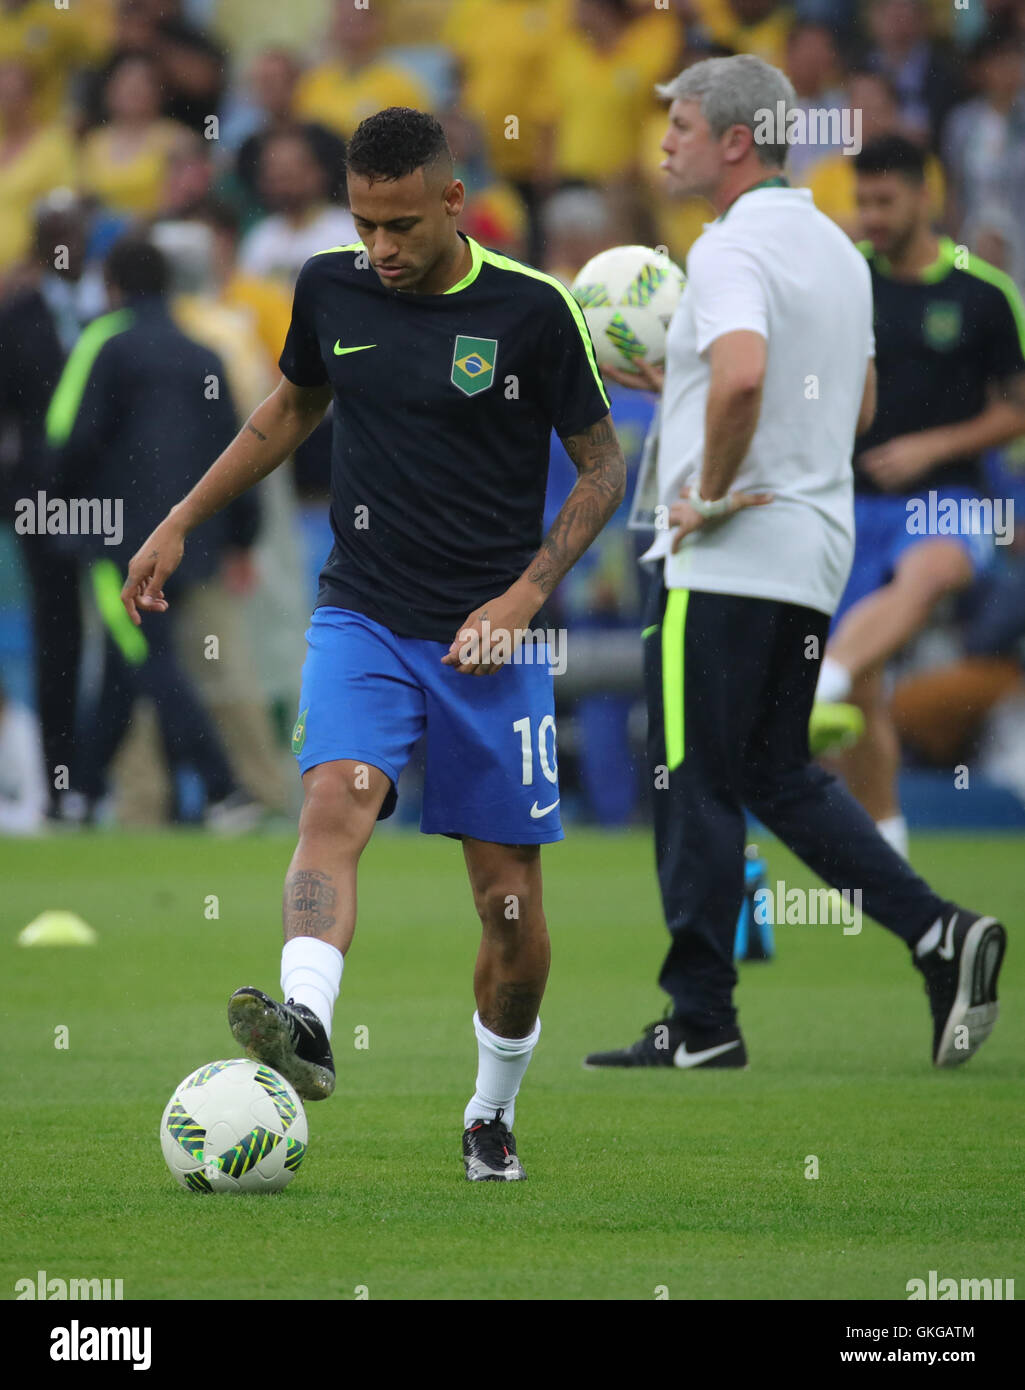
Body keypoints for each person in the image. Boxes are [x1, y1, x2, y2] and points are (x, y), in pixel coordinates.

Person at [120, 107, 625, 1181]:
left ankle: (490, 1108)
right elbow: (288, 410)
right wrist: (177, 519)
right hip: (362, 612)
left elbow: (600, 469)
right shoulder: (330, 284)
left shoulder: (532, 311)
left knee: (508, 912)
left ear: (452, 201)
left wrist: (525, 595)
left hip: (490, 642)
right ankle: (303, 1019)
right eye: (364, 225)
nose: (380, 250)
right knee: (333, 798)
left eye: (399, 226)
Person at [583, 56, 1005, 1074]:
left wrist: (707, 490)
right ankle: (939, 933)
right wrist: (675, 377)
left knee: (688, 774)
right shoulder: (833, 247)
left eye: (679, 125)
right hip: (810, 552)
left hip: (721, 553)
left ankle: (698, 1018)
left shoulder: (726, 248)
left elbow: (741, 381)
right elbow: (849, 405)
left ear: (735, 140)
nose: (664, 142)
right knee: (772, 771)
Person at [814, 135, 1025, 856]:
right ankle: (888, 842)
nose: (870, 215)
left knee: (931, 570)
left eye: (884, 200)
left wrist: (931, 447)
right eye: (861, 200)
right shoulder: (844, 279)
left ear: (922, 196)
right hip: (848, 502)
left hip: (946, 496)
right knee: (864, 697)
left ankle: (823, 678)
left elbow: (1017, 407)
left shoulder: (983, 292)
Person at [45, 236, 261, 829]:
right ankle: (81, 797)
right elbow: (239, 453)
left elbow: (67, 435)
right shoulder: (204, 355)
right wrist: (242, 536)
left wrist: (55, 513)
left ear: (111, 286)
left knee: (148, 658)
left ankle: (225, 792)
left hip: (120, 540)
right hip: (191, 539)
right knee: (127, 662)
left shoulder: (102, 342)